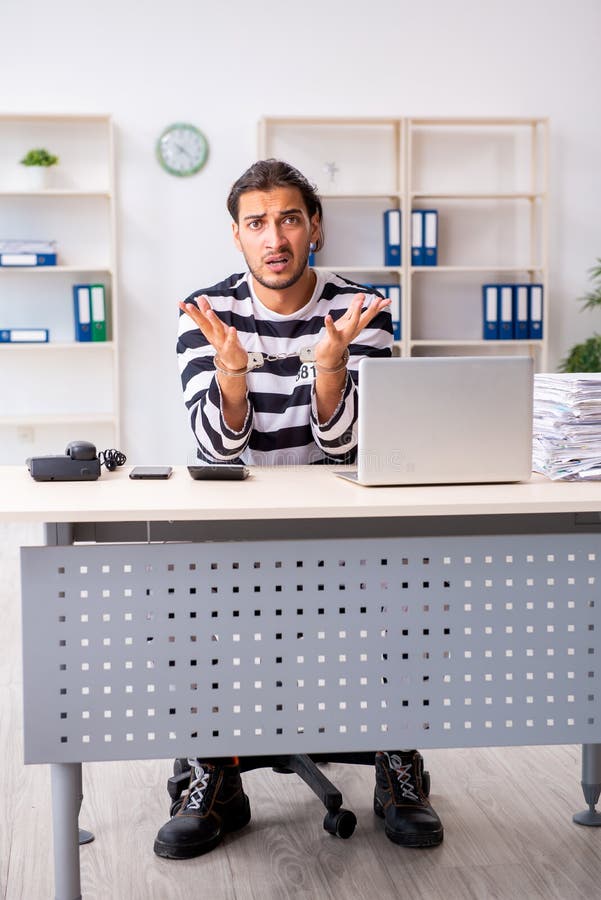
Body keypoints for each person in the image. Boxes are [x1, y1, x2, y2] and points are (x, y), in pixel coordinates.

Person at [154, 159, 443, 859]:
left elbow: (344, 444)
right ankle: (215, 777)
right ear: (237, 237)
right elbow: (220, 446)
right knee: (187, 600)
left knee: (405, 586)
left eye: (288, 218)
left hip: (344, 516)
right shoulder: (207, 312)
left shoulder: (359, 309)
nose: (274, 237)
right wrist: (230, 372)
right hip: (237, 522)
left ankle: (398, 767)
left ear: (314, 226)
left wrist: (332, 365)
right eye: (257, 223)